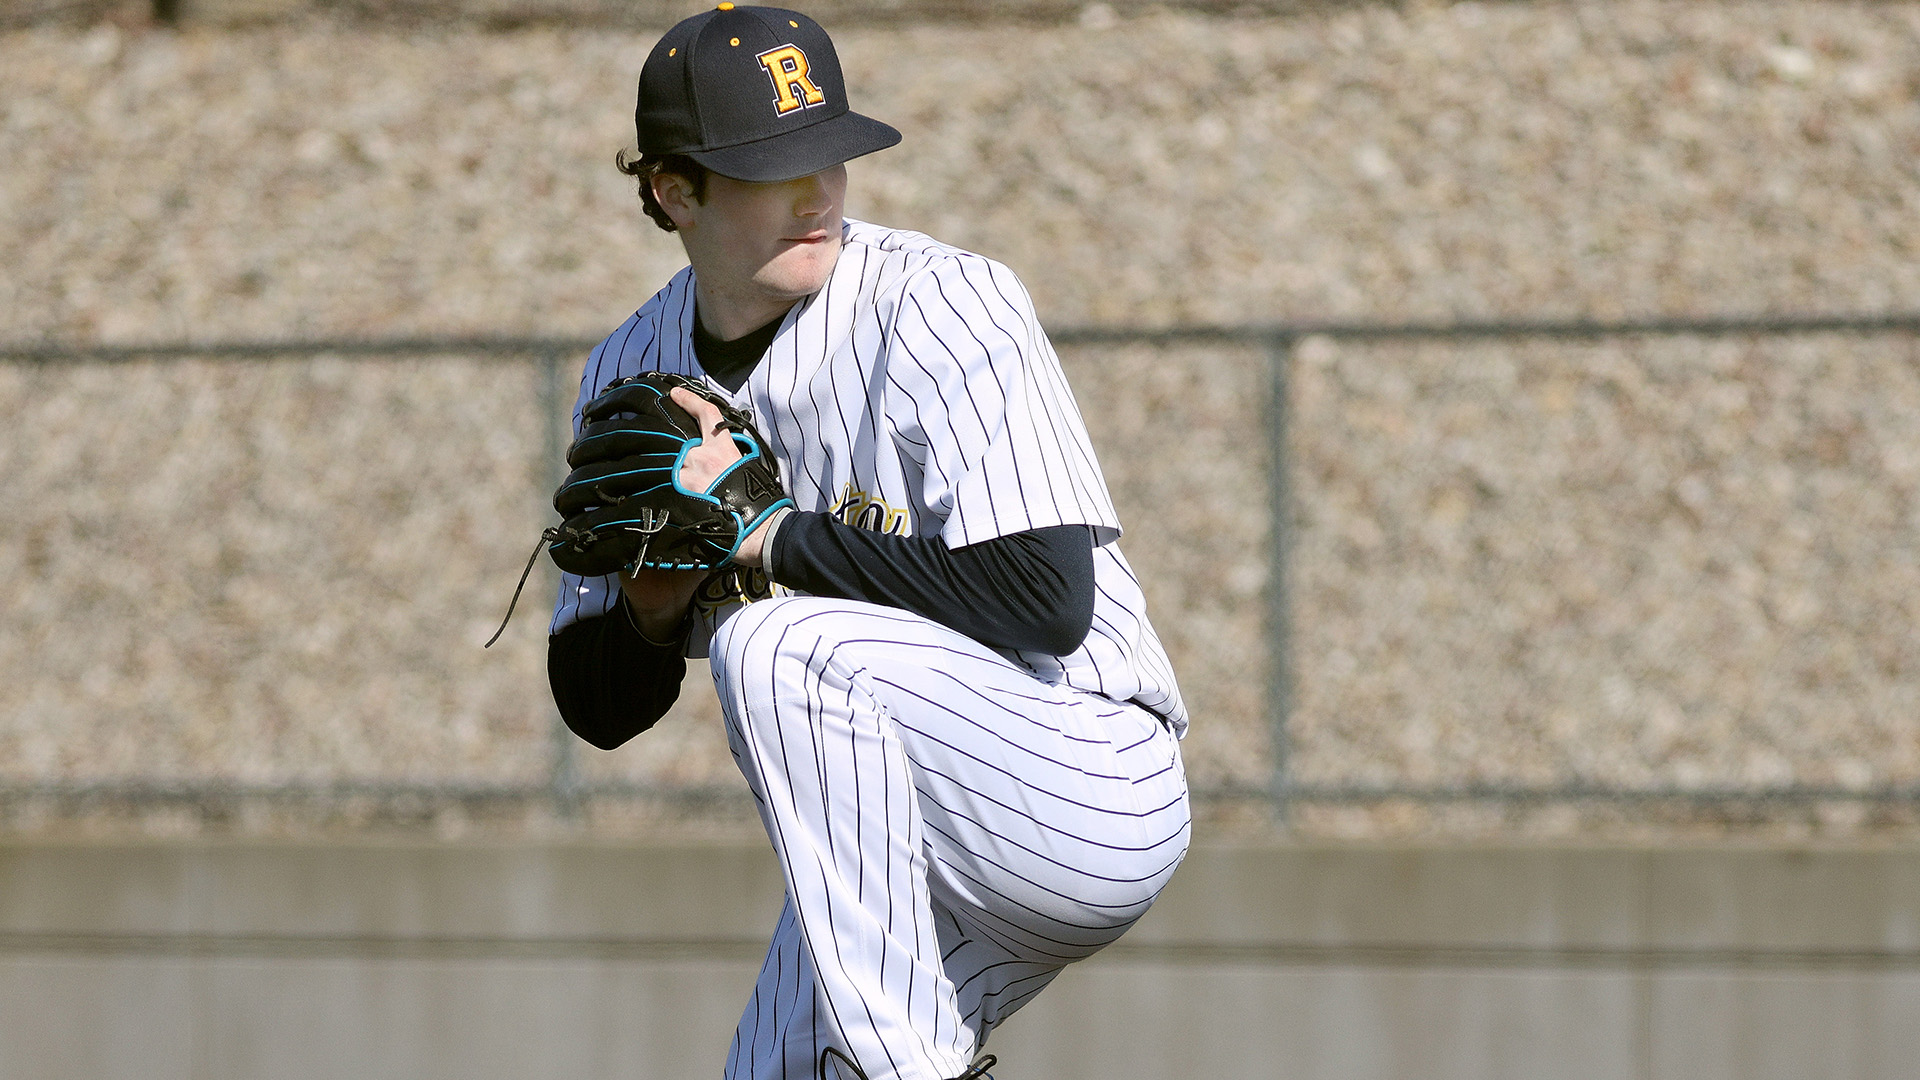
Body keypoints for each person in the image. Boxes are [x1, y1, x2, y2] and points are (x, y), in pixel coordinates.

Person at [546, 7, 1190, 1079]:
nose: (818, 191)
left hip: (1080, 780)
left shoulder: (943, 300)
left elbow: (1047, 598)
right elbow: (596, 710)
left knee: (775, 646)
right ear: (674, 189)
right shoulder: (631, 367)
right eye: (771, 167)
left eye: (830, 154)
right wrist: (655, 611)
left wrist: (769, 540)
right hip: (883, 852)